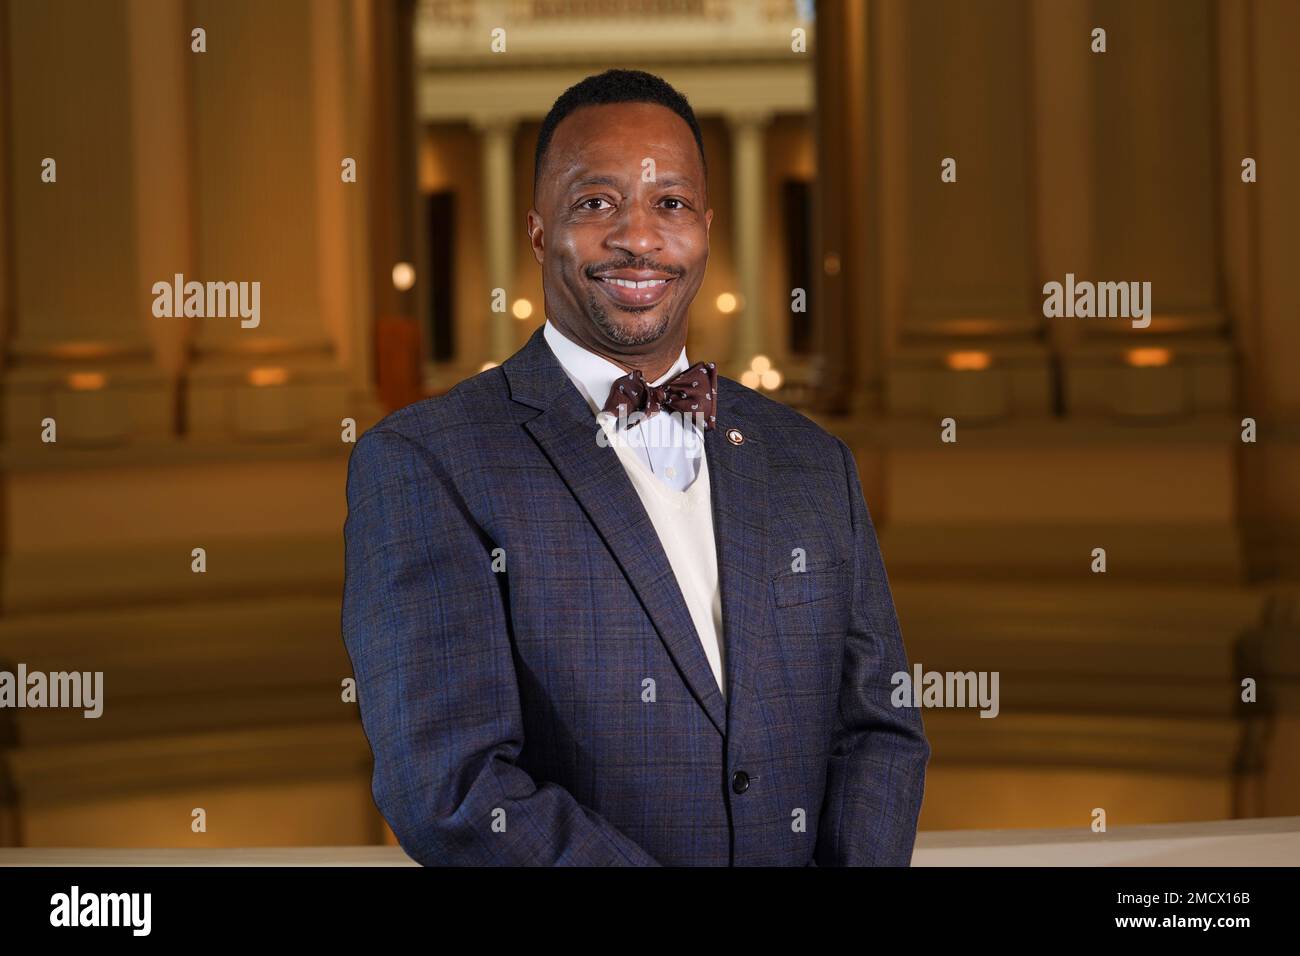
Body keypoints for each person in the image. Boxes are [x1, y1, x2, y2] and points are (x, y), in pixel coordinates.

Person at [341, 68, 929, 866]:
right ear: (540, 231)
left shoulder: (813, 461)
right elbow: (451, 786)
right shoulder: (426, 463)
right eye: (596, 204)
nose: (639, 238)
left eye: (670, 204)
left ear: (707, 228)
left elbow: (880, 727)